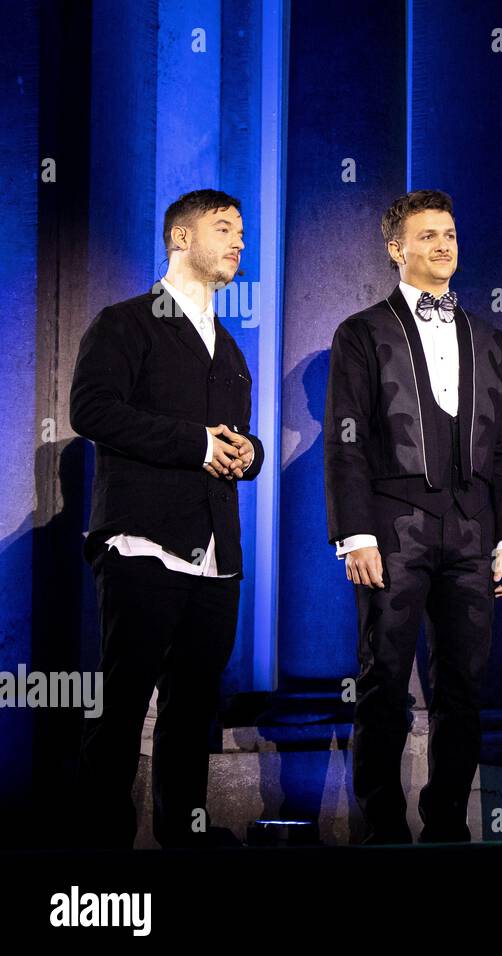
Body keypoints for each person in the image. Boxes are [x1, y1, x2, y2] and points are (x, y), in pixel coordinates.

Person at [324, 189, 502, 844]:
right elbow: (346, 440)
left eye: (450, 233)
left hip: (472, 531)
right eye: (428, 235)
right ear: (397, 248)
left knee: (464, 688)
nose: (444, 245)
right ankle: (381, 828)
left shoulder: (489, 338)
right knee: (384, 681)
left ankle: (447, 828)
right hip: (392, 527)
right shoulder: (361, 332)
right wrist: (354, 533)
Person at [70, 188, 263, 847]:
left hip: (215, 553)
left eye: (242, 230)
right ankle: (101, 845)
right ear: (180, 239)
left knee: (195, 708)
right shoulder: (127, 322)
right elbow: (92, 411)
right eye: (224, 228)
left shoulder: (231, 348)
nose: (240, 240)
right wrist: (196, 445)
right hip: (142, 541)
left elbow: (235, 436)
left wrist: (248, 451)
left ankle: (184, 835)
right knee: (121, 706)